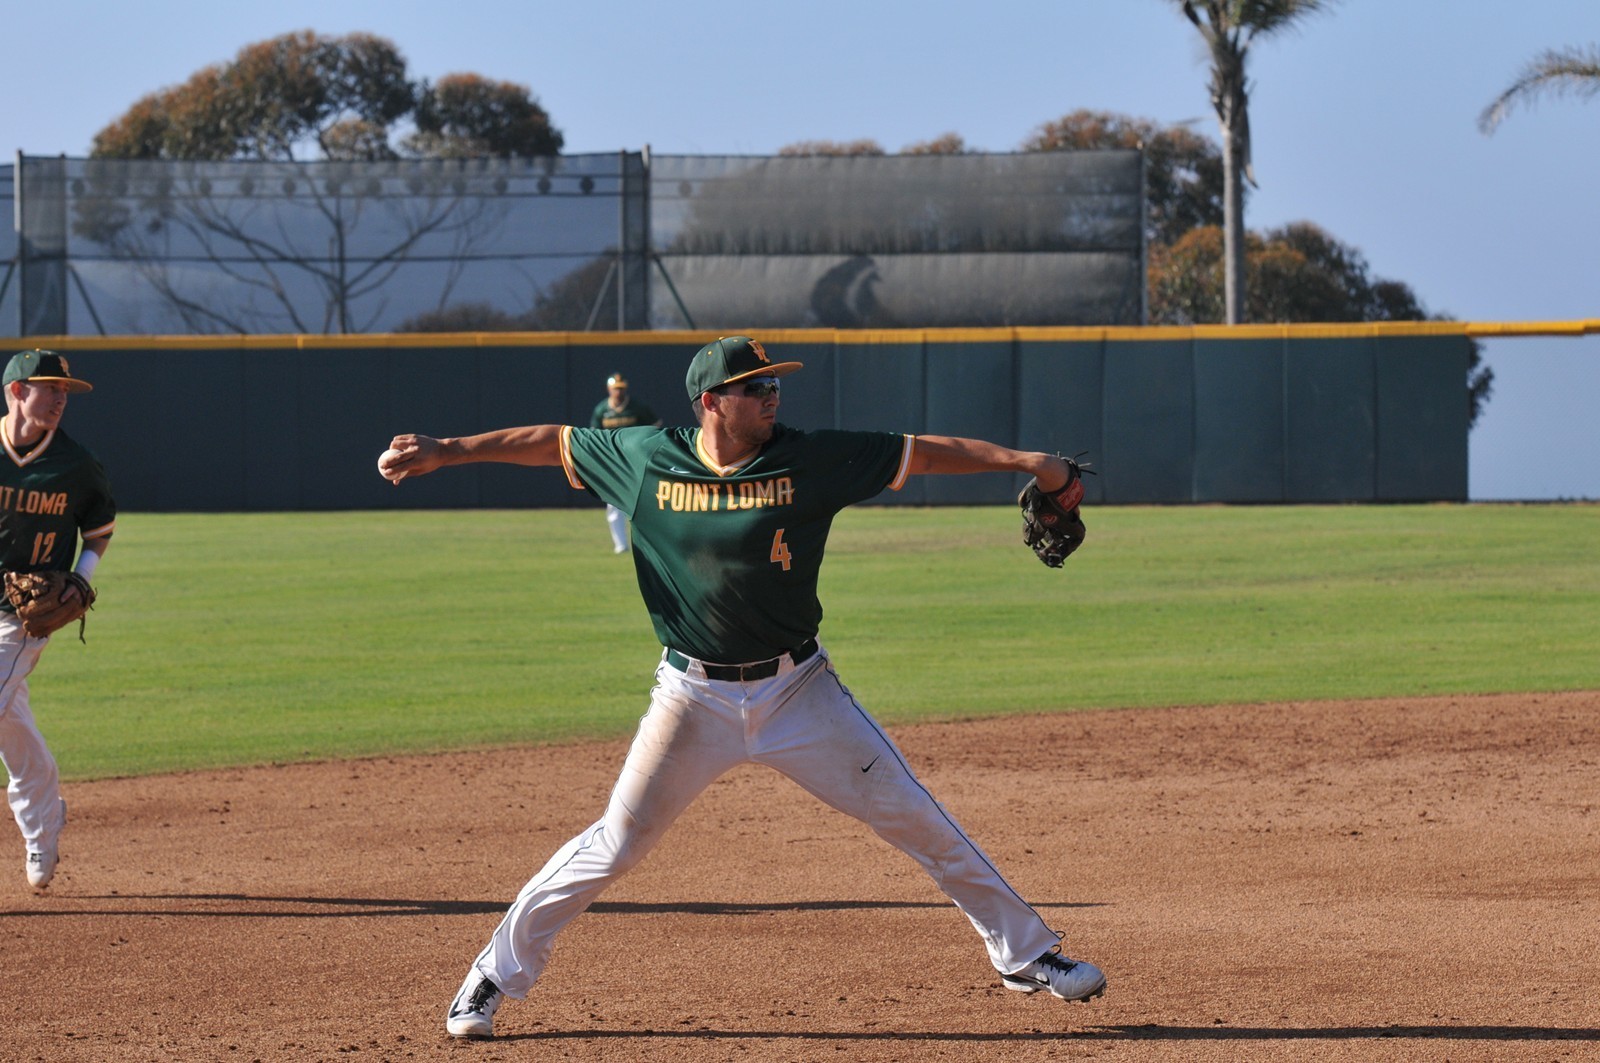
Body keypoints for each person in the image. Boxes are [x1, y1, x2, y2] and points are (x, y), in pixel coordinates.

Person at [380, 336, 1105, 1040]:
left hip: (800, 692)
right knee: (613, 843)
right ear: (711, 403)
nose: (772, 396)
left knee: (913, 814)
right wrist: (449, 450)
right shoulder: (644, 457)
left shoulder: (810, 456)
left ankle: (1026, 952)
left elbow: (922, 451)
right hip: (691, 698)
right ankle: (493, 975)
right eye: (755, 387)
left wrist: (1031, 462)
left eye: (775, 384)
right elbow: (549, 439)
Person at [0, 350, 116, 890]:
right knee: (10, 721)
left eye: (65, 390)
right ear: (17, 391)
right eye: (50, 388)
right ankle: (44, 822)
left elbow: (99, 530)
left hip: (20, 617)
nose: (61, 398)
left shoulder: (76, 463)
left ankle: (41, 823)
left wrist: (82, 575)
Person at [589, 373, 661, 553]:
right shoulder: (601, 410)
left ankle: (651, 542)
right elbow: (594, 437)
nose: (618, 391)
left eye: (621, 388)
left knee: (647, 501)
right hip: (613, 461)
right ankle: (620, 544)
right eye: (615, 388)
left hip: (636, 459)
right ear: (609, 389)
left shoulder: (637, 407)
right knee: (613, 504)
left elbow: (656, 427)